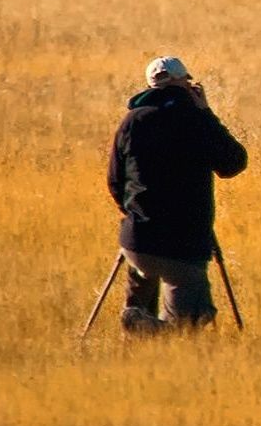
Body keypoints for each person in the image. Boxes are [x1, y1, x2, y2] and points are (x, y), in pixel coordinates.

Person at [106, 55, 249, 335]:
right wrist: (206, 112)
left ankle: (136, 328)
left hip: (137, 241)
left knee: (141, 292)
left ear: (150, 87)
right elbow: (233, 163)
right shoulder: (195, 119)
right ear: (185, 83)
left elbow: (115, 181)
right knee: (189, 325)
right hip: (184, 245)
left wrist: (136, 213)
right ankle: (145, 326)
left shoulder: (131, 121)